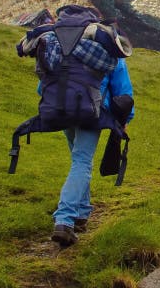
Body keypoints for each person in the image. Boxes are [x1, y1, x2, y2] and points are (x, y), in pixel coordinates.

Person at [51, 52, 134, 246]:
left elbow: (43, 85)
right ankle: (64, 220)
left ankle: (81, 213)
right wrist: (125, 120)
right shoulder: (108, 50)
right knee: (82, 162)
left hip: (62, 109)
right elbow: (123, 92)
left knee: (78, 161)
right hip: (90, 112)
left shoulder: (64, 46)